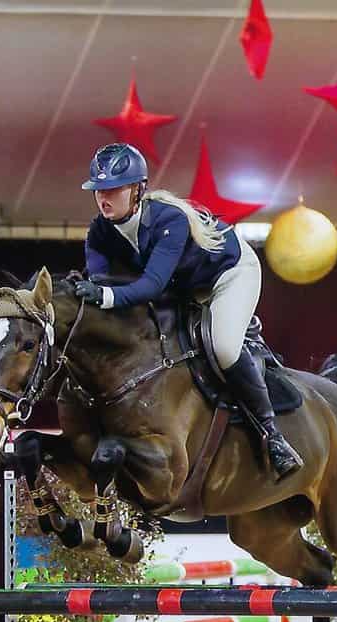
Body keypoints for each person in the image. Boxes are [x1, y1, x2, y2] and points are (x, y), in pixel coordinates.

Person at [74, 142, 302, 480]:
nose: (103, 197)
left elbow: (148, 286)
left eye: (113, 189)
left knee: (224, 347)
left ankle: (273, 437)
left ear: (137, 189)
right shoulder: (99, 232)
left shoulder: (170, 220)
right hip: (180, 288)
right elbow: (101, 282)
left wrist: (104, 295)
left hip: (229, 274)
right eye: (99, 190)